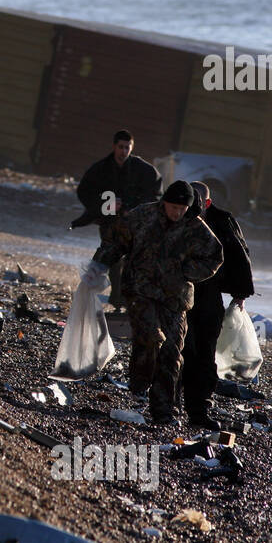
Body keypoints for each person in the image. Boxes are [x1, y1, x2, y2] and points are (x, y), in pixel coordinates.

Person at [84, 179, 222, 425]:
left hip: (174, 299)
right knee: (149, 338)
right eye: (173, 207)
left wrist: (185, 271)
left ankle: (163, 411)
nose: (177, 213)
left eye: (182, 209)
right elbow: (115, 242)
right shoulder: (142, 216)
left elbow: (214, 257)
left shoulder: (196, 227)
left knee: (171, 352)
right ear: (164, 203)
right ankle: (139, 379)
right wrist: (98, 267)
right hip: (140, 290)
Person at [178, 180, 255, 425]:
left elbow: (239, 254)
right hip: (178, 293)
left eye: (198, 201)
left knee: (203, 352)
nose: (193, 205)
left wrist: (240, 293)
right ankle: (169, 403)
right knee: (178, 350)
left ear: (207, 203)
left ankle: (198, 409)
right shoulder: (175, 215)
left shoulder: (221, 221)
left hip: (208, 294)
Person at [72, 130, 162, 311]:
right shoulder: (101, 169)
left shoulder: (143, 170)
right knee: (111, 259)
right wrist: (106, 203)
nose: (123, 151)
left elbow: (155, 195)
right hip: (109, 222)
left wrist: (135, 208)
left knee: (133, 261)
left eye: (127, 147)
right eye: (120, 147)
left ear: (132, 147)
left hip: (135, 224)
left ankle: (128, 299)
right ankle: (113, 298)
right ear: (114, 147)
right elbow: (85, 192)